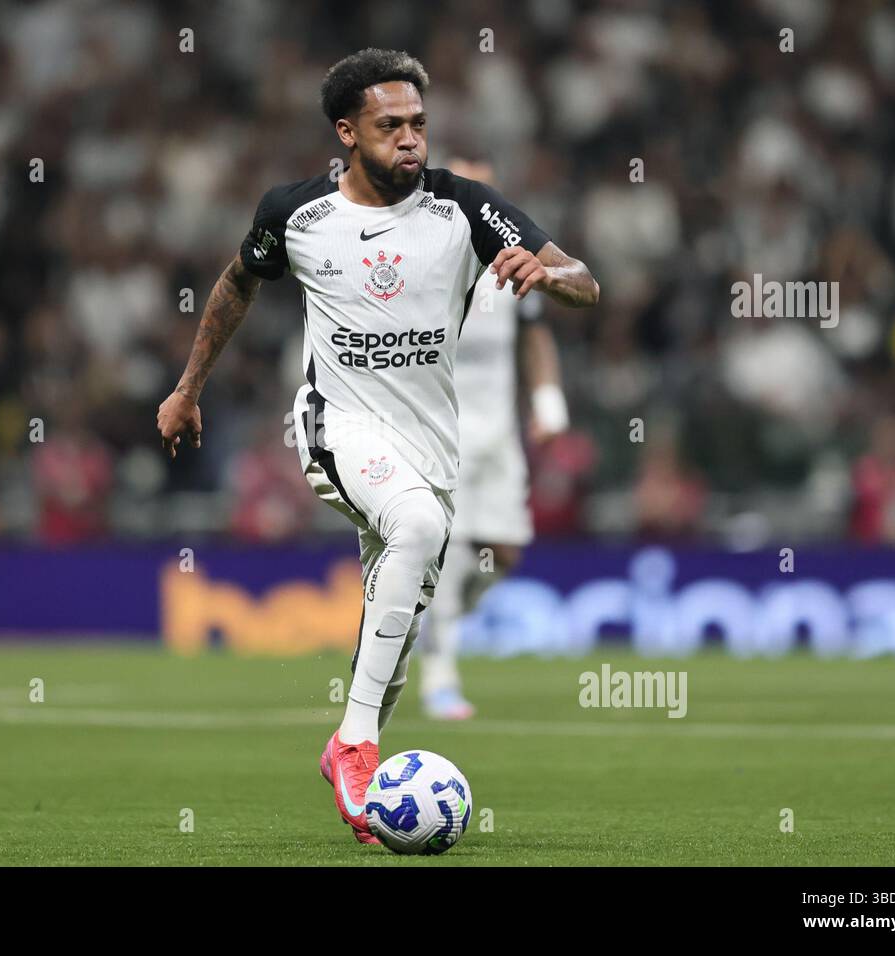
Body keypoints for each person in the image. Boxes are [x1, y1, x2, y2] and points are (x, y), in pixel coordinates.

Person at [156, 48, 598, 843]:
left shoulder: (466, 207)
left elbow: (586, 282)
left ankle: (350, 746)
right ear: (348, 133)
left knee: (396, 629)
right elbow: (235, 285)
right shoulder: (297, 213)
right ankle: (358, 744)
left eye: (419, 125)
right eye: (391, 126)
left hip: (432, 445)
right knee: (422, 530)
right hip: (335, 424)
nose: (411, 141)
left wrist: (549, 273)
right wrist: (189, 389)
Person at [416, 157, 570, 721]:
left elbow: (536, 337)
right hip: (442, 432)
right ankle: (440, 676)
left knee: (501, 553)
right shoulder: (426, 265)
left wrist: (549, 404)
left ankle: (434, 620)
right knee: (452, 555)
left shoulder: (514, 266)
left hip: (499, 435)